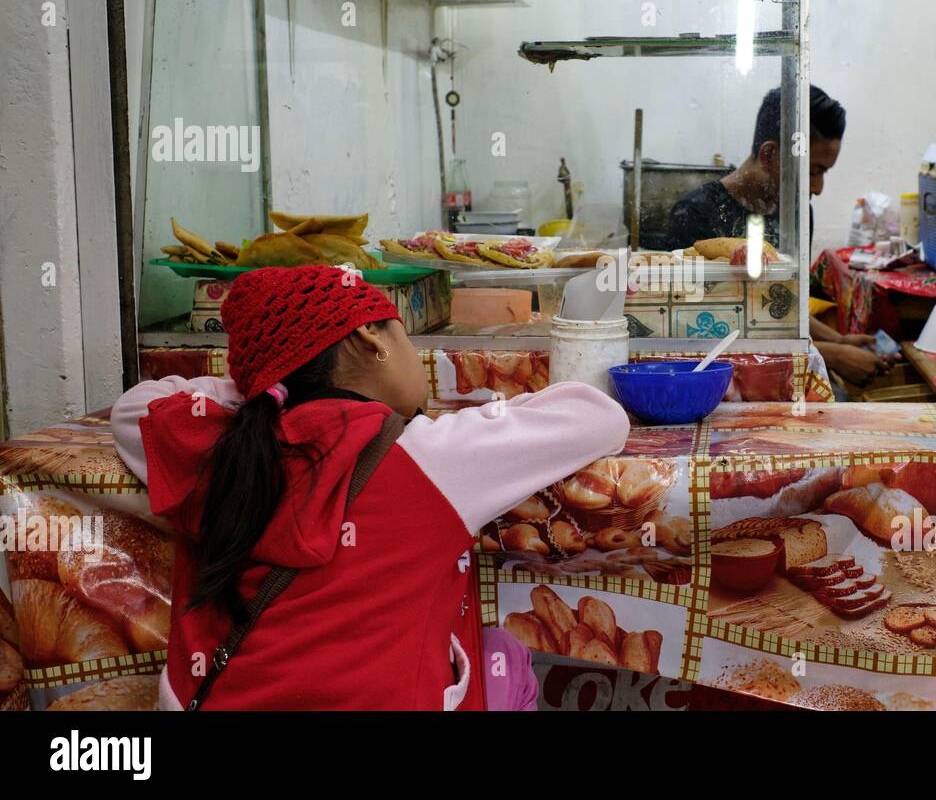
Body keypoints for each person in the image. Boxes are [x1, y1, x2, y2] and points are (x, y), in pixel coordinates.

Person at [110, 265, 629, 710]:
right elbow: (599, 416)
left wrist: (265, 389)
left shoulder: (208, 446)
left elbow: (134, 405)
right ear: (371, 339)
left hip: (209, 697)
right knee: (506, 656)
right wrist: (489, 418)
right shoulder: (432, 456)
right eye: (405, 335)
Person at [665, 85, 896, 386]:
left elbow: (778, 302)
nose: (818, 187)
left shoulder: (797, 213)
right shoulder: (696, 216)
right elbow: (699, 337)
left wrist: (840, 340)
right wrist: (830, 355)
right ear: (770, 154)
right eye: (814, 171)